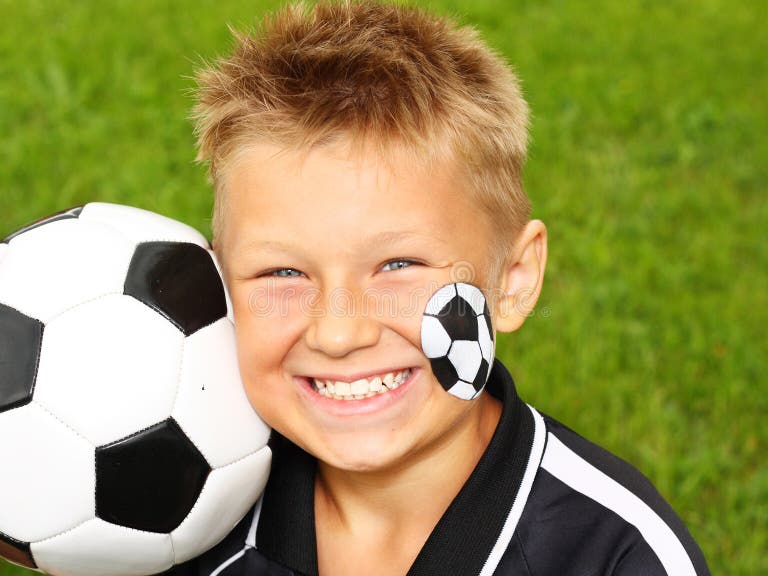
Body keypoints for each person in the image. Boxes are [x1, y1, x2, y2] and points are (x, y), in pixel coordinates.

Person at [169, 1, 710, 574]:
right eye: (283, 273)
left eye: (398, 265)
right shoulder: (174, 516)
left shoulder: (615, 554)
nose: (338, 332)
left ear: (512, 280)